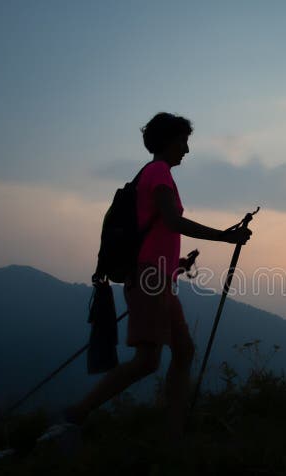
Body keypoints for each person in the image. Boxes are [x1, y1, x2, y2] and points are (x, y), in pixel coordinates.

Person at [45, 112, 251, 447]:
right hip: (149, 279)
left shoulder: (159, 174)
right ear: (168, 142)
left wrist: (179, 263)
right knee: (147, 361)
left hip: (158, 278)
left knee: (182, 352)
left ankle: (173, 429)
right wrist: (225, 237)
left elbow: (157, 232)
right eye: (183, 141)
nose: (186, 149)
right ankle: (77, 414)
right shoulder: (157, 173)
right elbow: (172, 222)